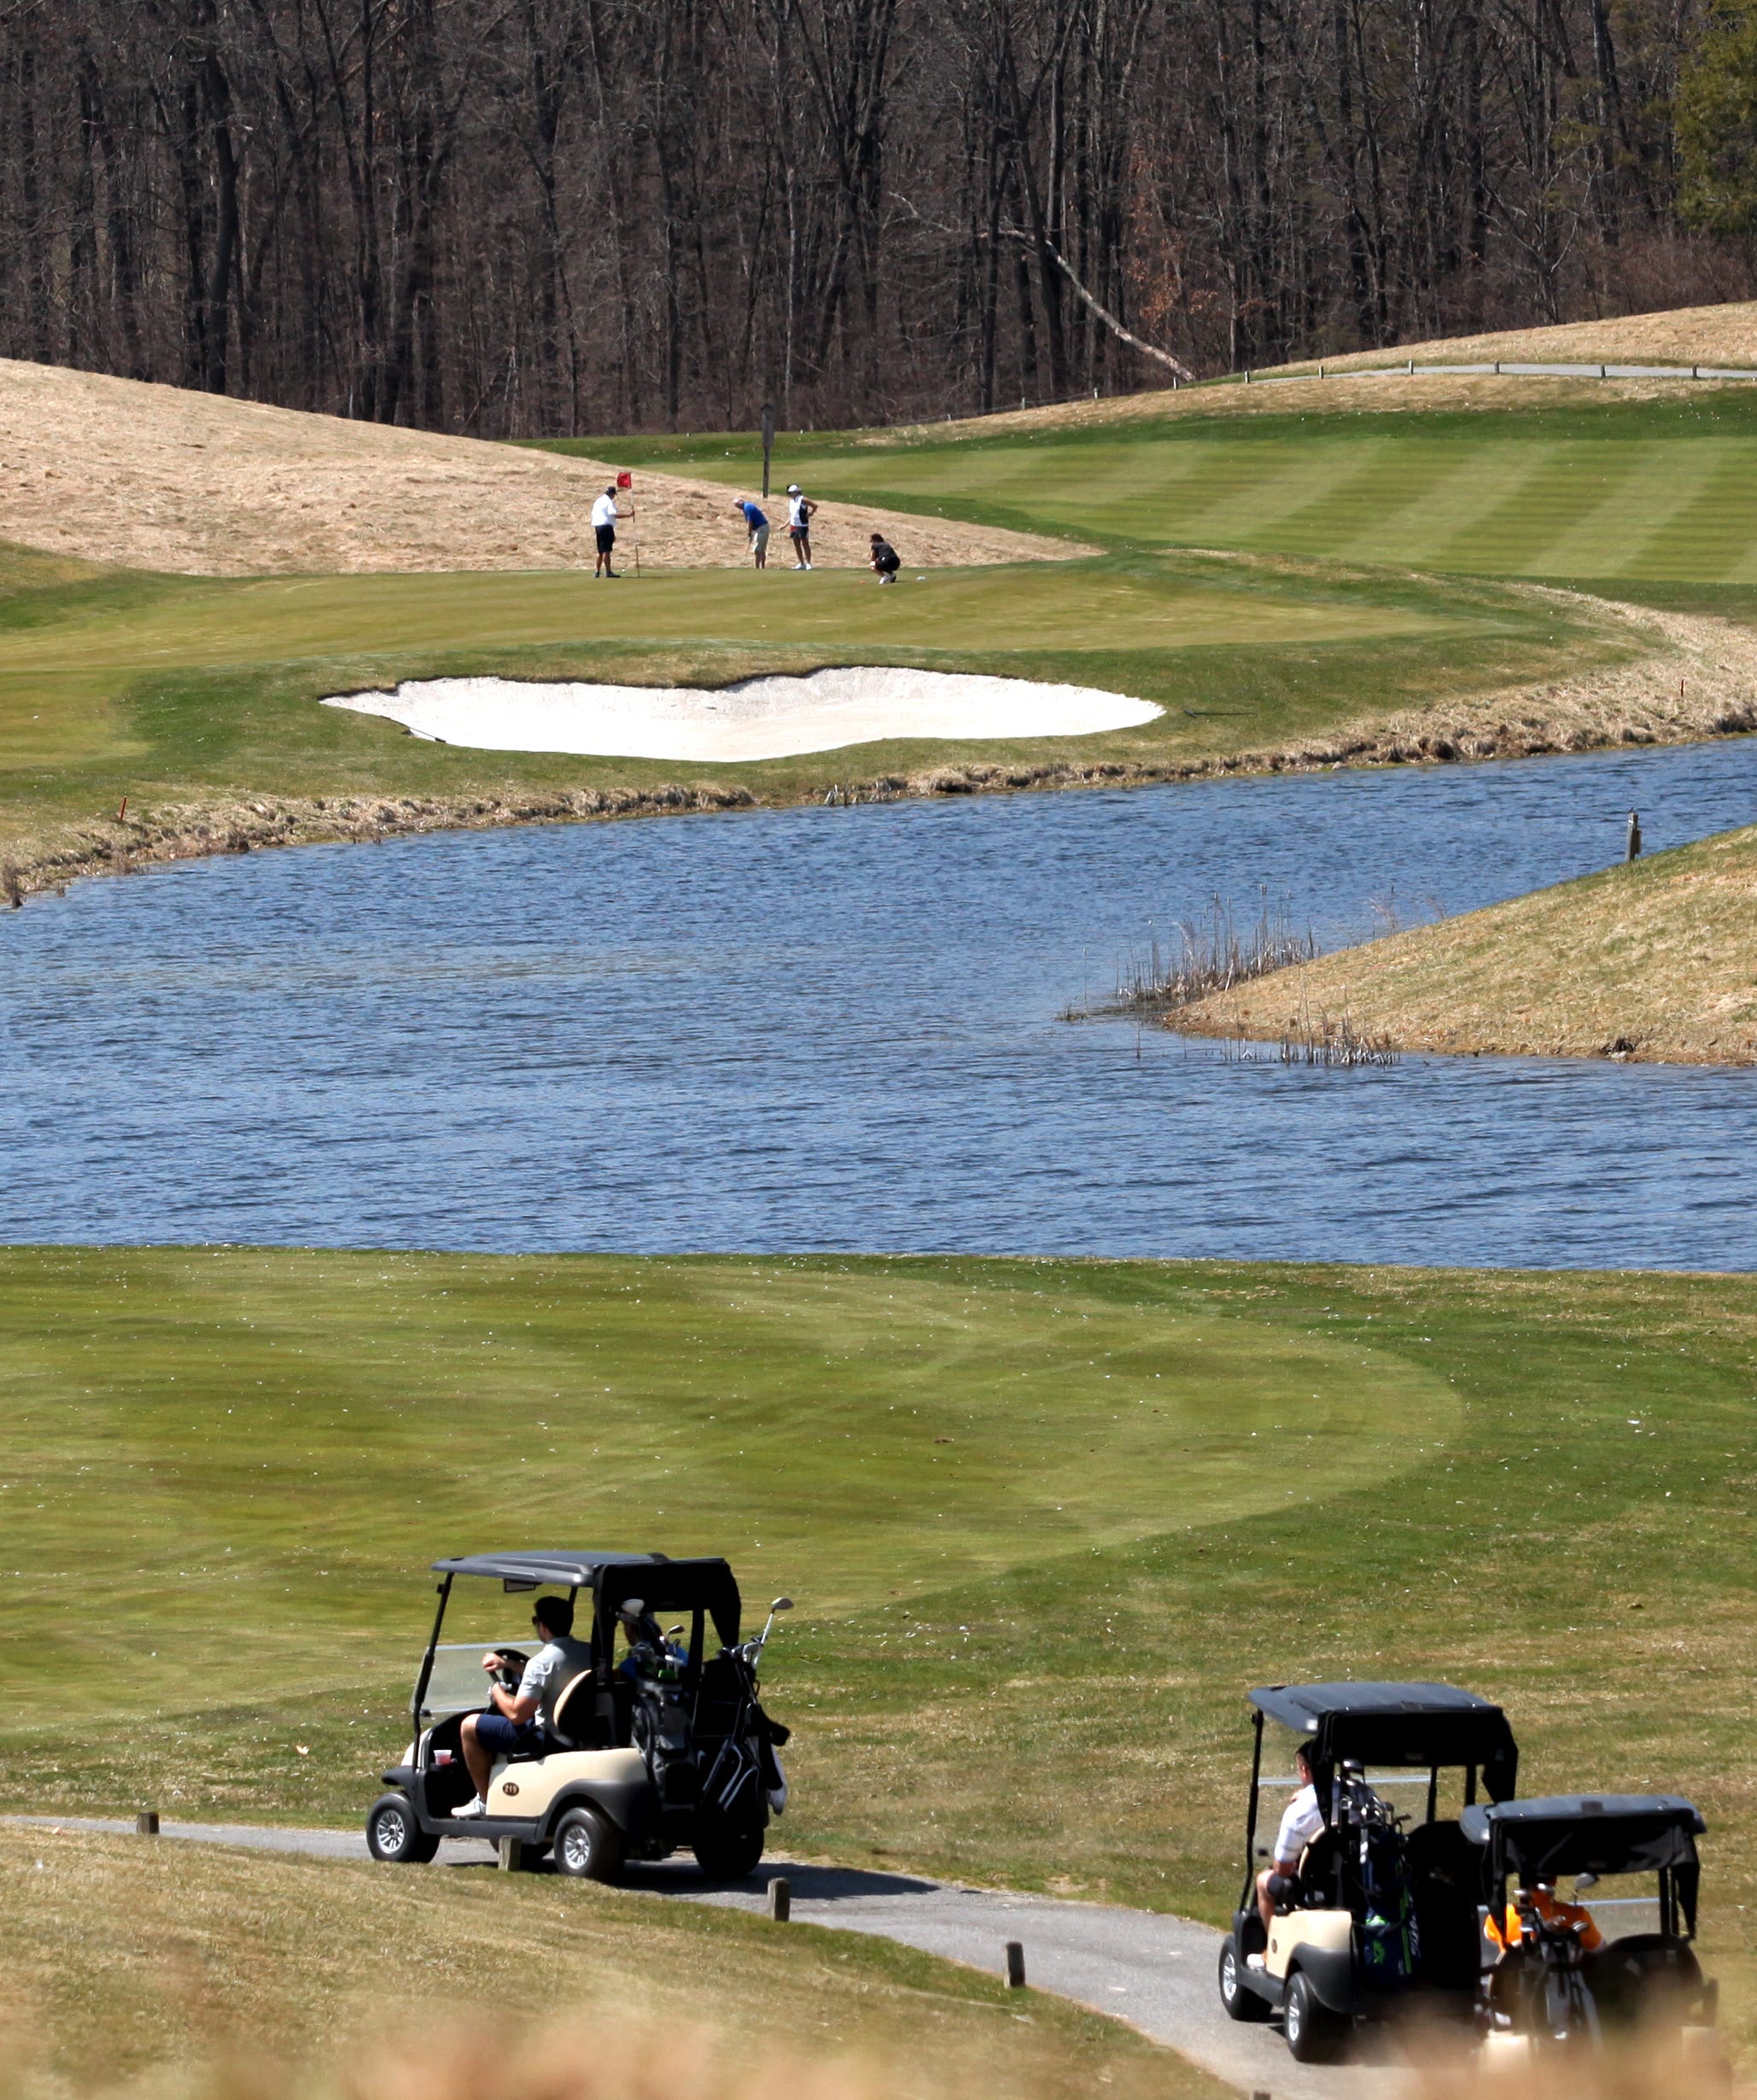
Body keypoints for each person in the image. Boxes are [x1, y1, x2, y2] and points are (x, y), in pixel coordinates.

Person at [455, 1595, 593, 1816]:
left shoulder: (541, 1663)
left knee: (469, 1727)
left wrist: (497, 1691)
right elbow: (549, 1673)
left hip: (547, 1737)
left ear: (543, 1625)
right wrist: (508, 1664)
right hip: (580, 1730)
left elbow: (517, 1714)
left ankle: (484, 1800)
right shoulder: (589, 1652)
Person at [1254, 1745, 1384, 1940]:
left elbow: (1283, 1869)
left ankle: (1270, 1949)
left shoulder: (1298, 1811)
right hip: (1363, 1879)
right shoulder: (1362, 1793)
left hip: (1317, 1889)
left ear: (1305, 1770)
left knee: (1263, 1881)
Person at [1486, 1881, 1603, 1957]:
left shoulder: (1500, 1916)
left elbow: (1488, 1935)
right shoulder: (1577, 1914)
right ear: (1554, 1881)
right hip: (1565, 1989)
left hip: (1513, 1988)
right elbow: (1601, 1950)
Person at [591, 485, 625, 577]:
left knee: (601, 551)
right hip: (606, 526)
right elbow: (613, 514)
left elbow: (593, 513)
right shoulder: (609, 501)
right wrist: (628, 515)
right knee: (606, 550)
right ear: (612, 494)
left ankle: (597, 572)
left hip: (597, 526)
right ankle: (608, 572)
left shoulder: (598, 500)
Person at [785, 484, 818, 569]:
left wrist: (810, 514)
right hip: (794, 525)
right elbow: (792, 515)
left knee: (805, 543)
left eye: (792, 492)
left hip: (802, 525)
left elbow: (814, 506)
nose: (791, 494)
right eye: (790, 493)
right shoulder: (791, 502)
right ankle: (801, 563)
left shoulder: (802, 500)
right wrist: (785, 525)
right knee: (797, 544)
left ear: (797, 492)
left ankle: (809, 563)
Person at [735, 497, 770, 569]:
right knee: (761, 549)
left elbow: (750, 522)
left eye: (737, 504)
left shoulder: (747, 507)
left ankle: (757, 568)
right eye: (736, 506)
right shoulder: (747, 506)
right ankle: (762, 567)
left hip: (761, 528)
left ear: (741, 502)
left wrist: (749, 533)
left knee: (757, 550)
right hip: (762, 527)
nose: (737, 507)